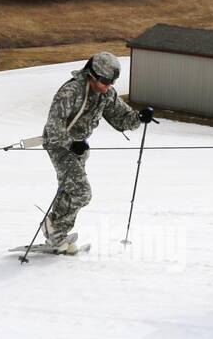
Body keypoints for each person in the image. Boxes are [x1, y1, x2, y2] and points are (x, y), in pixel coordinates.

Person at [40, 51, 152, 248]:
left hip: (79, 146)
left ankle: (54, 229)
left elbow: (122, 117)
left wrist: (139, 118)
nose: (108, 86)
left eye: (112, 82)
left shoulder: (105, 94)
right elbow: (53, 127)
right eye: (105, 81)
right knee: (82, 192)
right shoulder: (70, 93)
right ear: (93, 74)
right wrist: (70, 143)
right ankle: (54, 231)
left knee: (71, 190)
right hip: (59, 145)